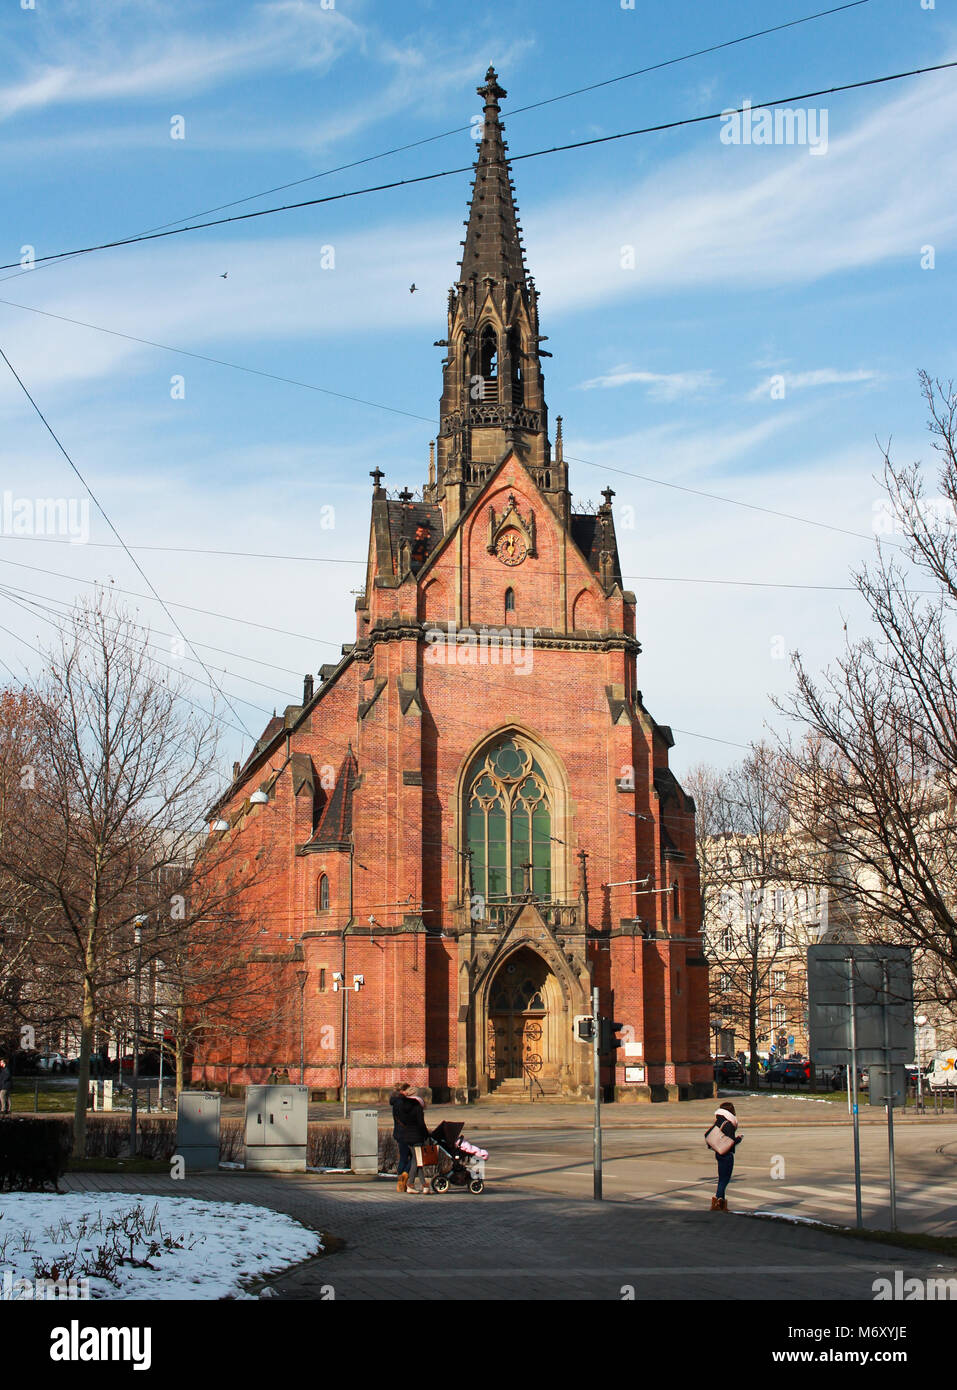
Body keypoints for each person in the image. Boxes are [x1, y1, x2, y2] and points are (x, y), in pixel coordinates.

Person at [391, 1083, 432, 1194]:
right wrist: (427, 1135)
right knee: (416, 1159)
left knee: (407, 1158)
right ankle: (409, 1181)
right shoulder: (415, 1106)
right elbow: (420, 1123)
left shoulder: (398, 1103)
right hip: (414, 1135)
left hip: (403, 1134)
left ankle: (406, 1183)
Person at [707, 1100, 742, 1210]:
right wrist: (738, 1139)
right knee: (724, 1180)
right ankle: (718, 1202)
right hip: (727, 1155)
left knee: (722, 1178)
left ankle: (720, 1204)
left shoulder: (719, 1121)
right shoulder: (729, 1124)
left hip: (719, 1153)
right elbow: (730, 1142)